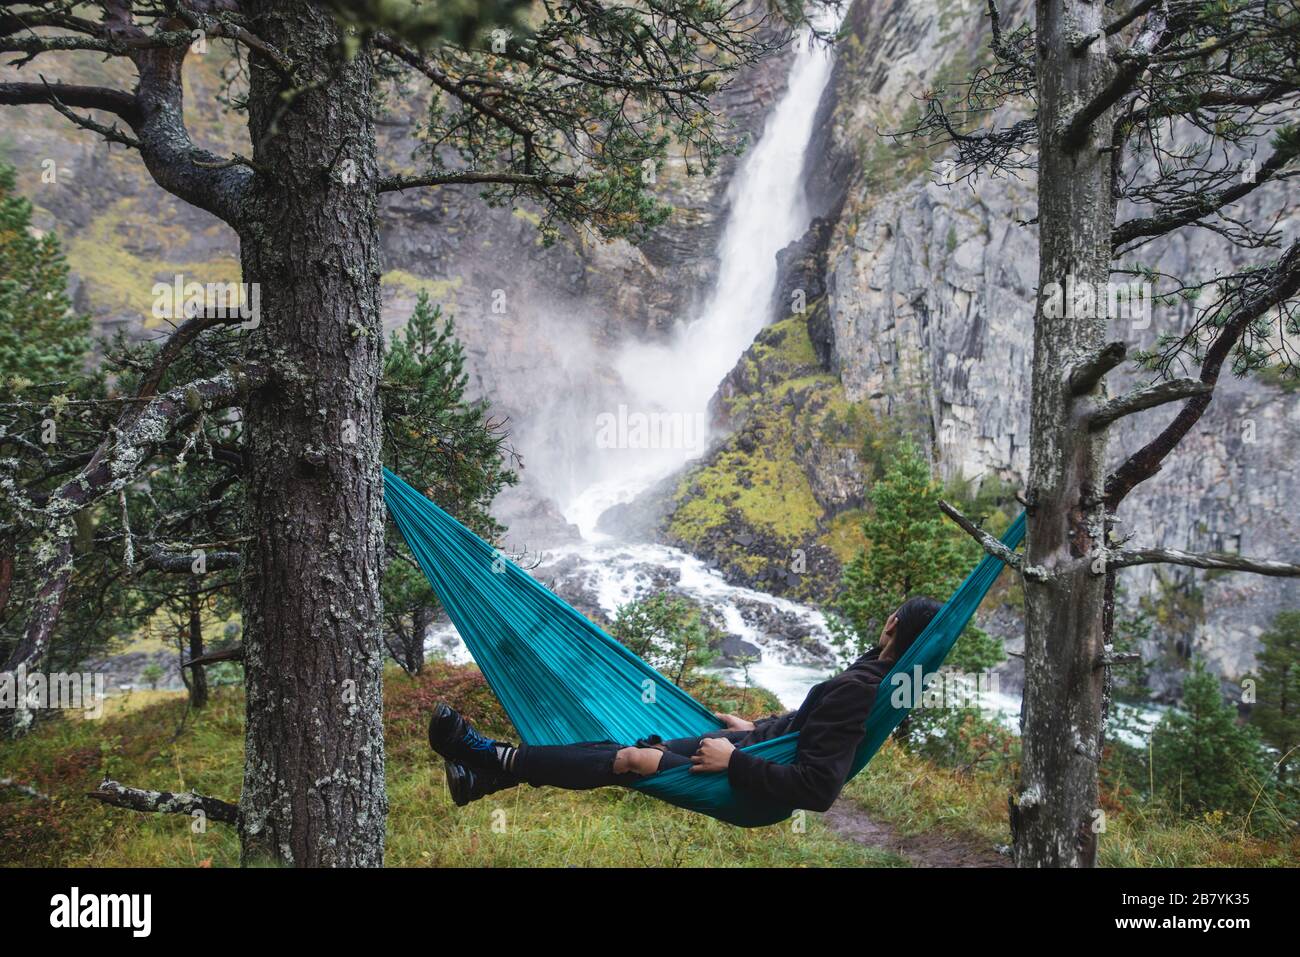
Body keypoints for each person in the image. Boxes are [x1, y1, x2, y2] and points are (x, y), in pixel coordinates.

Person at [428, 596, 942, 813]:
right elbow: (813, 726)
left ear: (893, 623)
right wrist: (758, 728)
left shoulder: (862, 687)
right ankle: (481, 780)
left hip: (745, 780)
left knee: (629, 761)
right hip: (754, 749)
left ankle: (494, 758)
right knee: (629, 746)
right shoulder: (878, 675)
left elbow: (819, 787)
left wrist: (734, 759)